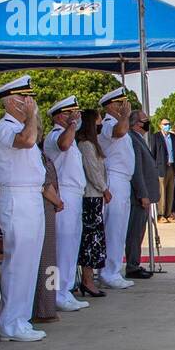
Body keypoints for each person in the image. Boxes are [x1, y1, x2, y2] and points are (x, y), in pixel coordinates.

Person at [0, 75, 47, 342]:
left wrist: (31, 117)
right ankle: (11, 322)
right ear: (13, 101)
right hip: (17, 198)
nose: (31, 102)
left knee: (29, 262)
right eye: (26, 98)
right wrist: (30, 117)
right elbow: (25, 141)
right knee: (18, 263)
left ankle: (20, 319)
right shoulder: (5, 127)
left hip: (31, 197)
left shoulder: (22, 125)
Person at [44, 96, 89, 312]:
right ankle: (57, 293)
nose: (77, 118)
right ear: (61, 115)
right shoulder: (55, 136)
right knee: (61, 247)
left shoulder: (67, 136)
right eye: (72, 114)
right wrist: (71, 125)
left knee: (70, 246)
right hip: (64, 196)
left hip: (74, 195)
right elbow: (63, 144)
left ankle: (65, 290)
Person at [98, 87, 136, 289]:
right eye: (121, 103)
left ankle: (113, 269)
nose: (125, 107)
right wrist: (126, 117)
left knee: (119, 228)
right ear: (112, 106)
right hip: (114, 178)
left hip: (123, 179)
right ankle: (108, 272)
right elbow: (119, 132)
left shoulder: (117, 122)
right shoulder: (109, 123)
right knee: (113, 228)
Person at [76, 109, 109, 298]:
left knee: (95, 240)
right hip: (91, 196)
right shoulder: (86, 145)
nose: (101, 123)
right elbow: (93, 171)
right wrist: (105, 189)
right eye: (98, 120)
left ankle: (89, 279)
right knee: (90, 240)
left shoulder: (91, 144)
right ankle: (87, 280)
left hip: (95, 196)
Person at [126, 111, 160, 279]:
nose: (148, 123)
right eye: (145, 121)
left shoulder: (139, 138)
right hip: (138, 196)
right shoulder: (132, 140)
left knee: (139, 231)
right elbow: (137, 170)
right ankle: (132, 265)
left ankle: (135, 262)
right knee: (135, 232)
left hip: (143, 194)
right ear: (136, 123)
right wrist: (142, 194)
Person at [32, 145, 63, 325]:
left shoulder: (40, 153)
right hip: (45, 205)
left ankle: (49, 305)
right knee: (46, 261)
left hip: (50, 206)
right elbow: (44, 183)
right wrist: (57, 201)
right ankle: (43, 308)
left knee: (51, 261)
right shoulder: (35, 154)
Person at [155, 117, 175, 221]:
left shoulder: (173, 137)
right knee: (162, 191)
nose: (167, 126)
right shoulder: (156, 137)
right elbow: (153, 152)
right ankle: (161, 214)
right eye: (164, 124)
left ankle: (168, 213)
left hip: (172, 166)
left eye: (168, 124)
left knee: (170, 191)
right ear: (160, 125)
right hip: (161, 167)